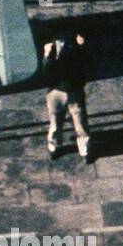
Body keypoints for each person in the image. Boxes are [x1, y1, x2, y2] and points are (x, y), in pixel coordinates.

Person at [42, 28, 92, 162]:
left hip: (71, 90)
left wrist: (83, 48)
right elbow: (47, 72)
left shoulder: (77, 48)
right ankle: (54, 146)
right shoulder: (52, 50)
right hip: (58, 91)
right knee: (56, 122)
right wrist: (47, 56)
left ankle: (84, 148)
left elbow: (87, 64)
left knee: (80, 122)